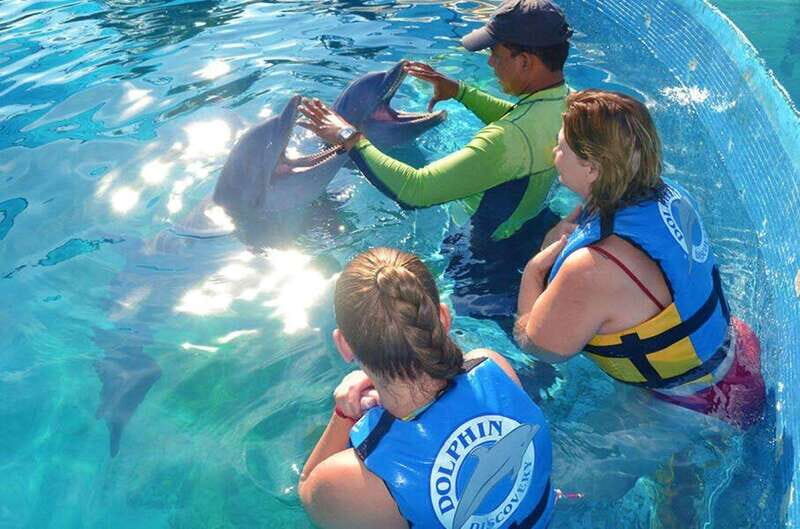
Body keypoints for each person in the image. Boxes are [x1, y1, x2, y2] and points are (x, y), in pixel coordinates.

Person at [298, 0, 573, 328]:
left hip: (486, 251)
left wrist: (347, 136)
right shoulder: (568, 103)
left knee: (486, 316)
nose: (490, 62)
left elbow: (416, 191)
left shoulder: (506, 140)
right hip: (532, 220)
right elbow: (523, 120)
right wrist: (460, 92)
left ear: (525, 61)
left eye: (496, 55)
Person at [514, 90, 766, 428]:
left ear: (591, 168)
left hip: (698, 402)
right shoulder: (667, 194)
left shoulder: (590, 268)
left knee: (560, 475)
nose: (554, 153)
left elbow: (540, 347)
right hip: (735, 347)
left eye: (562, 147)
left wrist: (533, 272)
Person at [299, 247, 555, 529]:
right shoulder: (493, 367)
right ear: (444, 318)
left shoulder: (348, 479)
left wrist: (344, 416)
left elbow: (308, 492)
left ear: (344, 346)